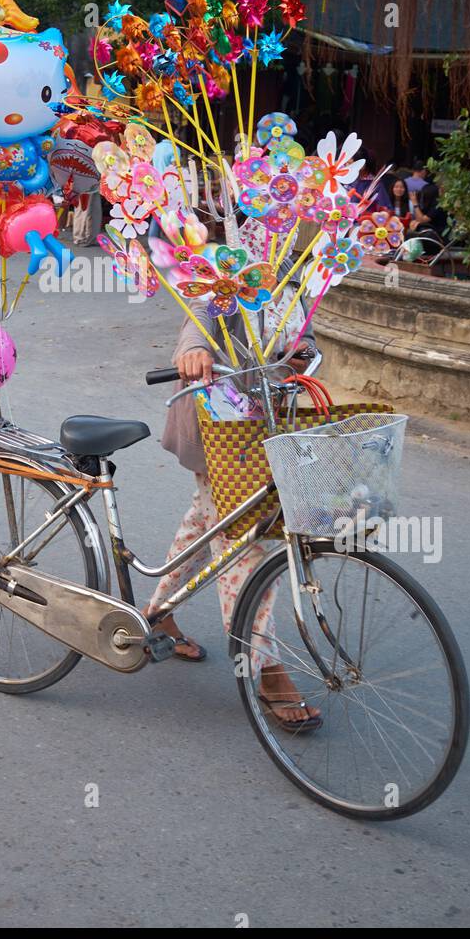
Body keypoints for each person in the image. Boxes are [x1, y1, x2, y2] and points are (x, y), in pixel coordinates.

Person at [144, 221, 322, 730]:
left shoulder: (297, 274)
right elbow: (200, 310)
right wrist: (193, 350)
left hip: (266, 425)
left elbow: (296, 331)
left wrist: (303, 349)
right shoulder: (231, 267)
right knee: (247, 543)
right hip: (219, 426)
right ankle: (264, 668)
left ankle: (157, 613)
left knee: (208, 520)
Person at [406, 181, 448, 253]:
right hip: (429, 231)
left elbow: (422, 220)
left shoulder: (438, 206)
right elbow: (419, 219)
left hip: (438, 236)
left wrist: (415, 204)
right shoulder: (426, 205)